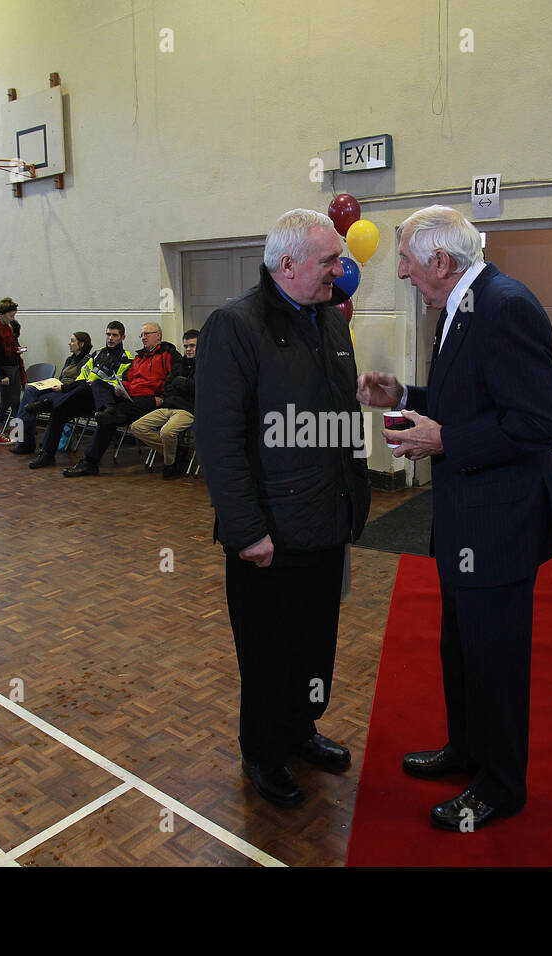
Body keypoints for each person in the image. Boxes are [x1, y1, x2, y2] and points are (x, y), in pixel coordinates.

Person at [358, 205, 552, 832]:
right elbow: (473, 401)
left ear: (441, 262)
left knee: (495, 661)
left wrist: (446, 441)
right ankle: (468, 751)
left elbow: (541, 423)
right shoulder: (464, 305)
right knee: (462, 648)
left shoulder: (504, 306)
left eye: (405, 261)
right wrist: (405, 399)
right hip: (468, 521)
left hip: (498, 525)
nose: (399, 272)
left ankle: (500, 787)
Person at [197, 208, 370, 808]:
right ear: (287, 263)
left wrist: (355, 495)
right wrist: (247, 531)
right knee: (268, 651)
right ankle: (264, 752)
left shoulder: (328, 320)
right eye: (329, 261)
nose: (339, 271)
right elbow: (218, 439)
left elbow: (340, 416)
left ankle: (302, 730)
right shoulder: (233, 325)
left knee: (315, 642)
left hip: (324, 522)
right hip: (268, 532)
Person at [60, 322, 180, 477]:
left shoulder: (168, 355)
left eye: (147, 334)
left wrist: (163, 399)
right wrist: (121, 387)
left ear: (158, 336)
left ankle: (89, 462)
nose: (143, 338)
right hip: (129, 395)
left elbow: (174, 381)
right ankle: (108, 408)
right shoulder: (139, 358)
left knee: (108, 419)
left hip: (149, 399)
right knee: (97, 384)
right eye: (142, 335)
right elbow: (127, 377)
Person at [23, 322, 132, 463]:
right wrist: (68, 387)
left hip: (103, 400)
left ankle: (49, 403)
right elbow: (82, 376)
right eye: (108, 334)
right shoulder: (98, 354)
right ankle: (46, 454)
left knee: (87, 387)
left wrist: (96, 384)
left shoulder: (126, 358)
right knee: (60, 410)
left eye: (115, 335)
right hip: (83, 395)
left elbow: (119, 383)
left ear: (123, 337)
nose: (110, 338)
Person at [5, 331, 90, 452]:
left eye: (72, 341)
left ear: (81, 344)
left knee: (31, 405)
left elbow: (81, 383)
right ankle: (21, 435)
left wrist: (63, 388)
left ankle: (23, 439)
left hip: (69, 393)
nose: (69, 343)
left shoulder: (87, 361)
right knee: (30, 391)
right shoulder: (69, 359)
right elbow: (61, 378)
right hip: (59, 388)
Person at [130, 328, 197, 479]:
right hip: (169, 405)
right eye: (186, 346)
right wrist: (183, 384)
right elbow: (168, 385)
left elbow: (198, 388)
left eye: (192, 346)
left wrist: (181, 384)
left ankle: (170, 465)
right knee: (137, 427)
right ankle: (176, 451)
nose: (188, 349)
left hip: (188, 409)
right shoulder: (180, 363)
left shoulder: (205, 366)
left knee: (167, 432)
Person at [0, 297, 24, 444]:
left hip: (13, 366)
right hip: (4, 369)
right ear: (3, 314)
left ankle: (17, 435)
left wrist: (17, 350)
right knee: (5, 401)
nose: (12, 319)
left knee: (16, 402)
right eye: (11, 316)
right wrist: (1, 374)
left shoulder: (8, 327)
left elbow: (11, 346)